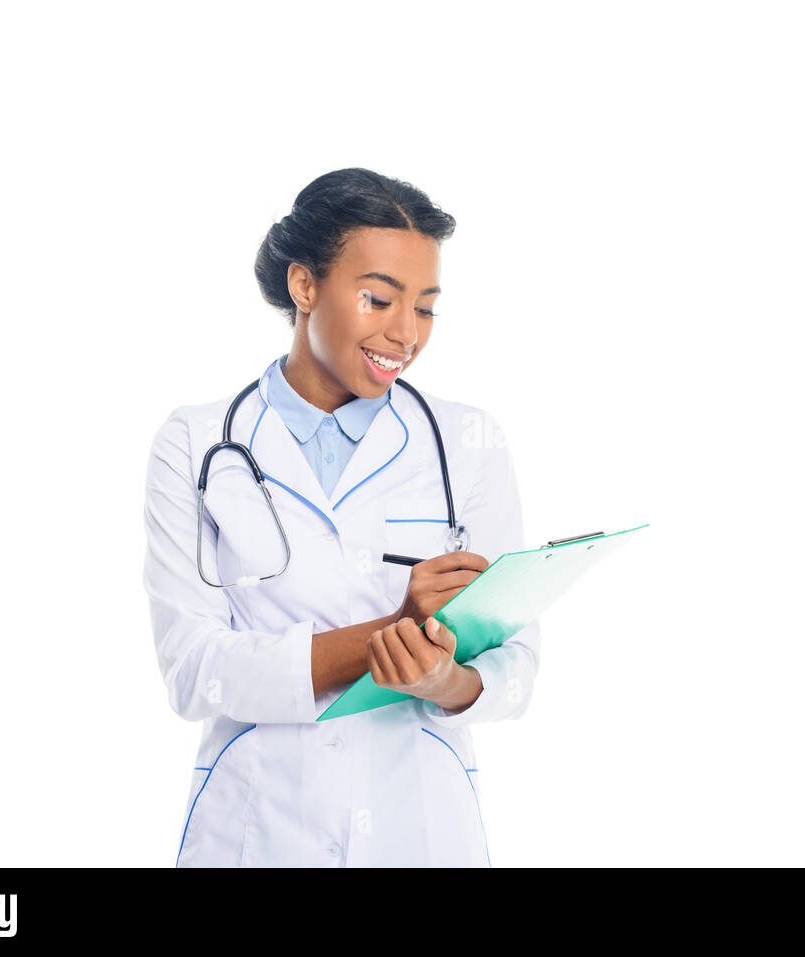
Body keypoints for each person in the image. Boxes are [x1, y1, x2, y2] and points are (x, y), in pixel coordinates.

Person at [142, 168, 539, 867]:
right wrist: (391, 634)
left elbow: (517, 666)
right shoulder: (196, 441)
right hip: (258, 826)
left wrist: (443, 680)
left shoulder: (468, 444)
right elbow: (193, 670)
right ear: (304, 286)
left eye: (426, 306)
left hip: (419, 825)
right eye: (378, 298)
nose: (405, 333)